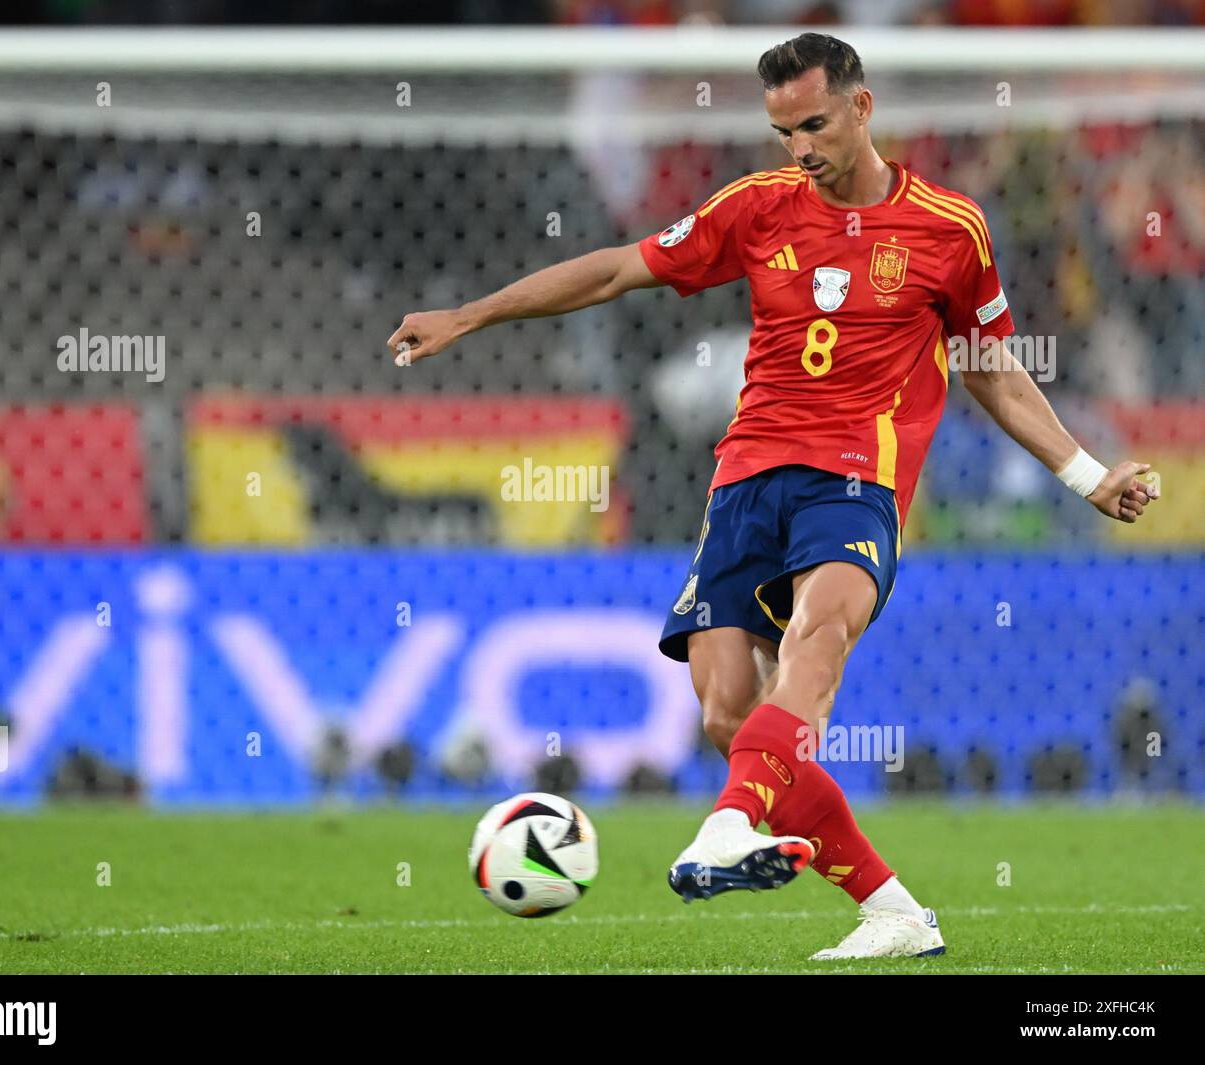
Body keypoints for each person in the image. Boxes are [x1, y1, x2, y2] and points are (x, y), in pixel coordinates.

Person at [386, 32, 1159, 960]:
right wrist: (467, 316)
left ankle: (725, 826)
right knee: (724, 712)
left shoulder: (951, 230)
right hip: (749, 474)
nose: (799, 146)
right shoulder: (755, 209)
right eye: (783, 129)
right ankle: (895, 913)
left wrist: (1088, 473)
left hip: (857, 481)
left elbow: (992, 369)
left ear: (863, 108)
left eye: (815, 124)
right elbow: (612, 269)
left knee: (815, 636)